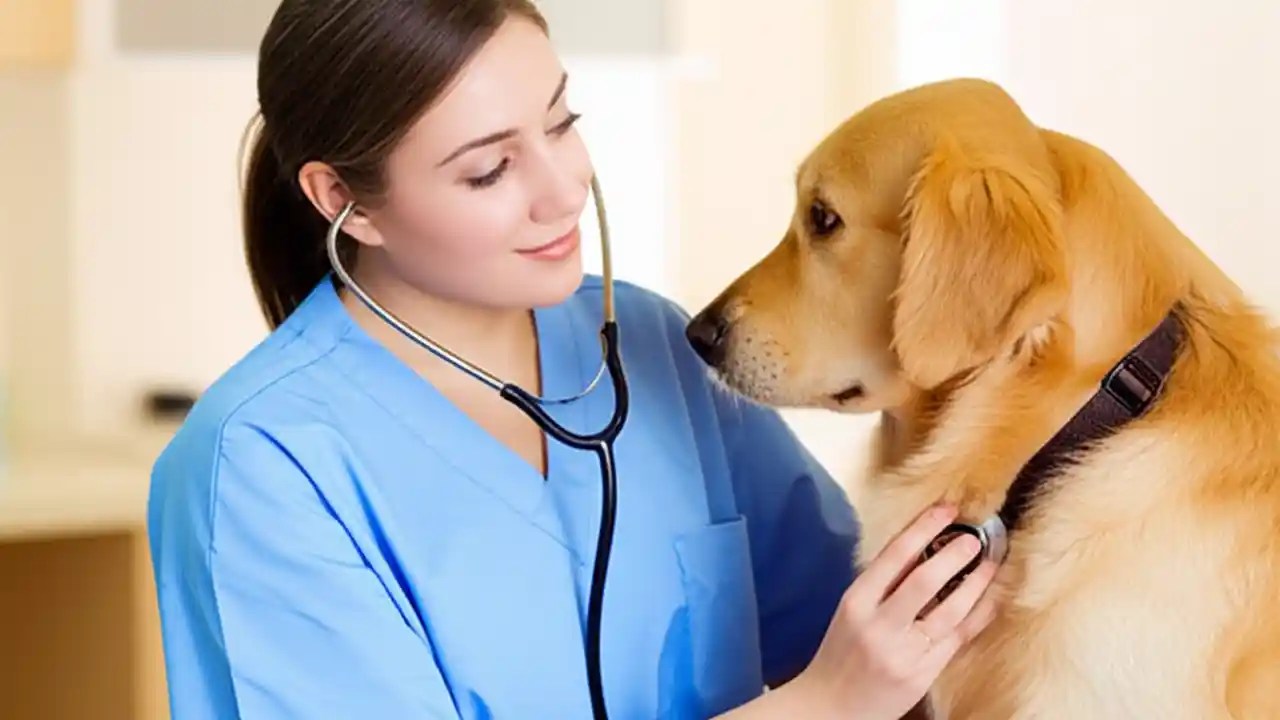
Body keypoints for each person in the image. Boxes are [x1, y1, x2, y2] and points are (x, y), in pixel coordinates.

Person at [146, 1, 999, 718]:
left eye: (561, 122)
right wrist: (820, 706)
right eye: (489, 170)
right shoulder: (259, 467)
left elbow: (899, 631)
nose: (563, 189)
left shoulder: (657, 349)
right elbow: (846, 683)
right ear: (344, 203)